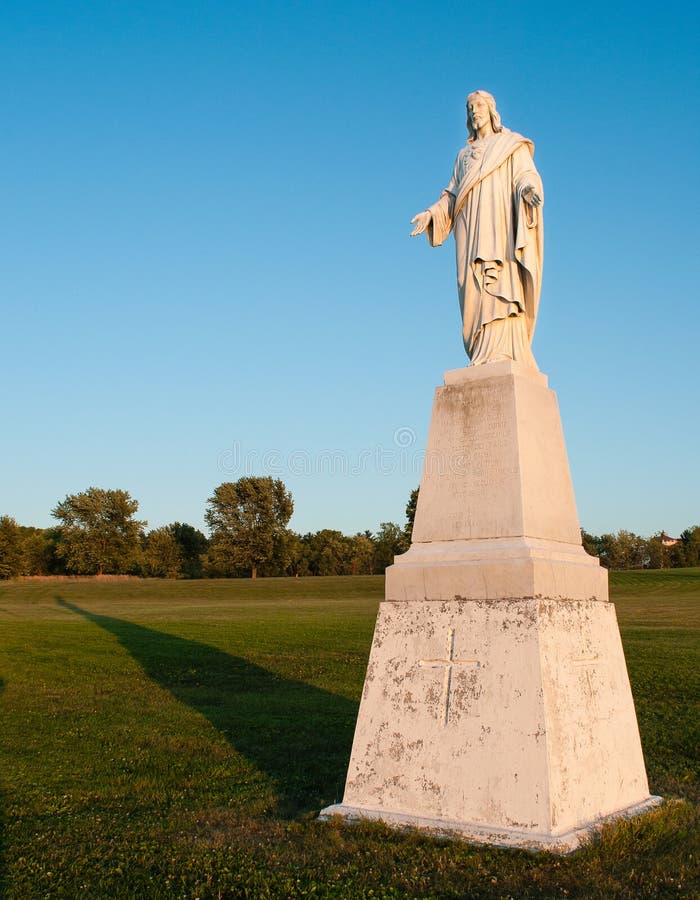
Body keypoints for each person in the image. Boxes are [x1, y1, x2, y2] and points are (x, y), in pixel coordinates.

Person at [410, 90, 543, 367]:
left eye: (479, 105)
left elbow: (525, 175)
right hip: (471, 230)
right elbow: (451, 195)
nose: (474, 111)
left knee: (501, 281)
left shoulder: (510, 145)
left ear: (492, 110)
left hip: (500, 227)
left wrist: (529, 189)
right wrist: (431, 214)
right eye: (469, 107)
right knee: (475, 290)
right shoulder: (463, 155)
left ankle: (506, 350)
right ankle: (481, 351)